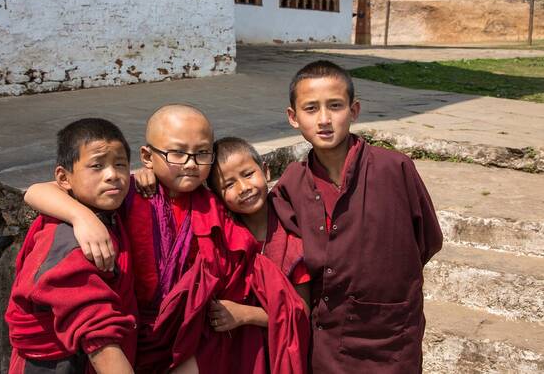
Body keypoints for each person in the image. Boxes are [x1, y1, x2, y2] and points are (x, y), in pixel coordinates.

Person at [24, 105, 309, 374]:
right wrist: (80, 216)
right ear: (148, 157)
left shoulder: (214, 207)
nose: (190, 164)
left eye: (201, 153)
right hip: (126, 336)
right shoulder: (126, 194)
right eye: (177, 153)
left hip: (186, 339)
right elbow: (37, 191)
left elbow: (240, 275)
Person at [269, 60, 443, 373]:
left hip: (391, 335)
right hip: (328, 339)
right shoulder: (291, 184)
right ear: (293, 118)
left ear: (354, 110)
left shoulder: (395, 169)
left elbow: (428, 241)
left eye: (335, 106)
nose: (324, 119)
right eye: (311, 109)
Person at [5, 118, 137, 374]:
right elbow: (99, 339)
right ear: (64, 178)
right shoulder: (69, 243)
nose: (113, 175)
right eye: (97, 166)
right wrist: (81, 216)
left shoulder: (110, 213)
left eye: (121, 164)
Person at [205, 136, 311, 330]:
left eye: (248, 174)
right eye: (229, 185)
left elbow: (302, 312)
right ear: (217, 196)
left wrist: (247, 315)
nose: (244, 188)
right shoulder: (225, 241)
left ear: (266, 171)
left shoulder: (291, 240)